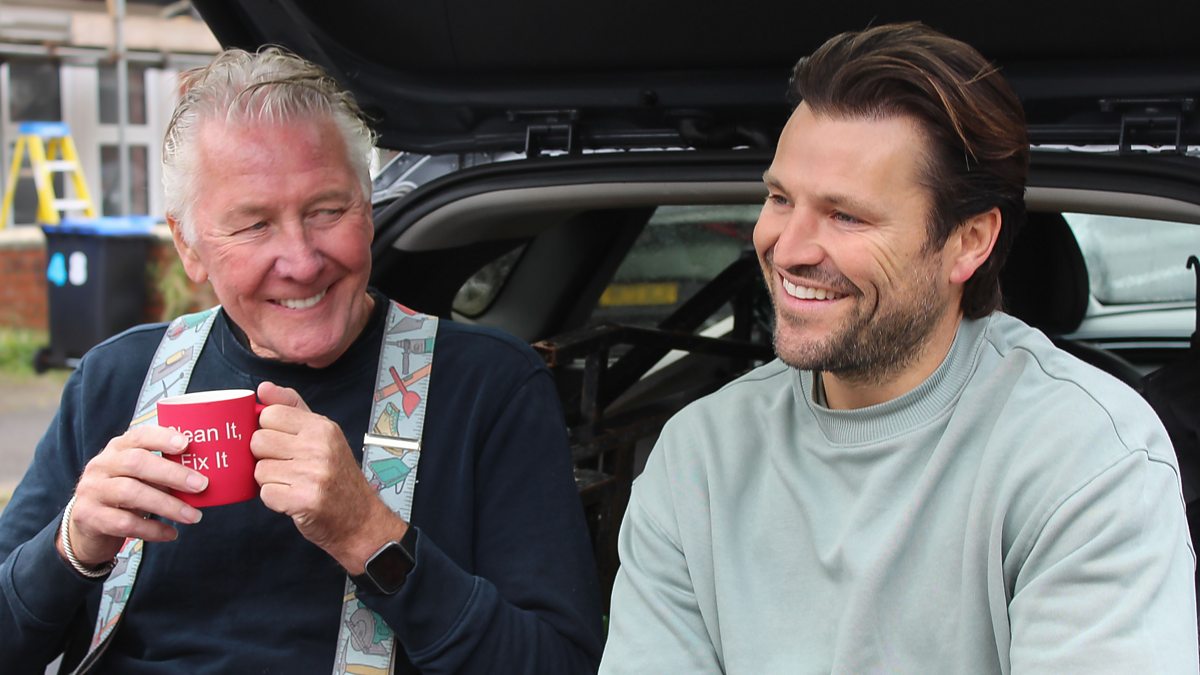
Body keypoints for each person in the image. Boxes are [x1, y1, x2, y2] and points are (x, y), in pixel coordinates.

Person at [601, 22, 1198, 673]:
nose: (787, 248)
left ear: (969, 242)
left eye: (846, 215)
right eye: (779, 198)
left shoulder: (1087, 456)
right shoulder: (698, 458)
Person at [0, 47, 602, 673]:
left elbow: (557, 664)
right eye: (254, 225)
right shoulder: (117, 379)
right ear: (189, 246)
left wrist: (368, 535)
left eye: (326, 211)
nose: (302, 261)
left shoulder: (489, 386)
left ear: (367, 209)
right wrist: (72, 547)